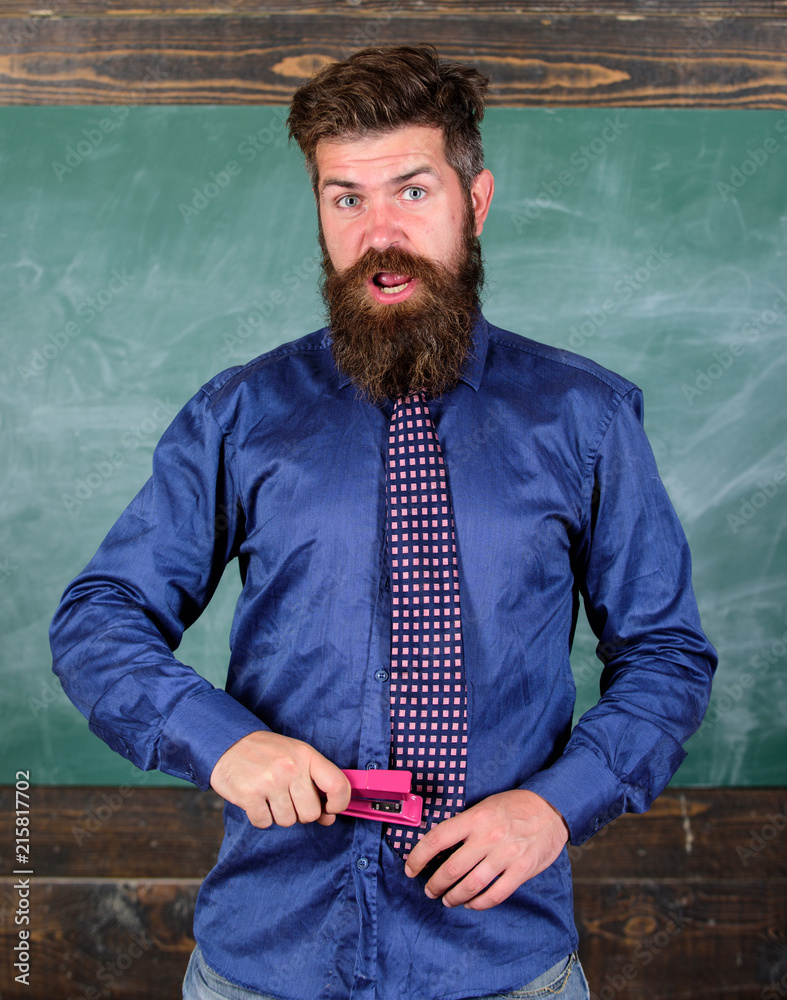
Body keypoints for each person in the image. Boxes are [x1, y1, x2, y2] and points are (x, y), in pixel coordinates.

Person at [49, 44, 716, 1000]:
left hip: (501, 965)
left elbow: (664, 655)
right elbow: (99, 618)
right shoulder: (239, 414)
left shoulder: (587, 418)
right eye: (346, 199)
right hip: (266, 958)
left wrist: (552, 809)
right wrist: (220, 740)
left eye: (411, 190)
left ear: (474, 201)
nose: (380, 234)